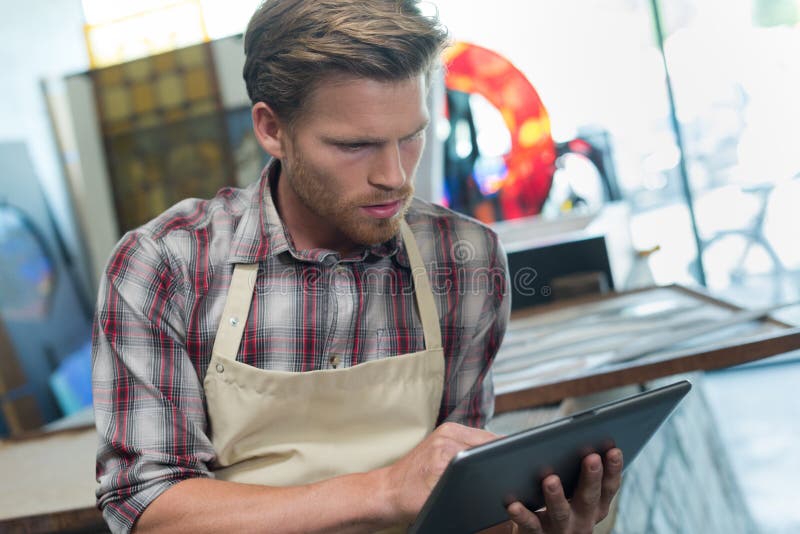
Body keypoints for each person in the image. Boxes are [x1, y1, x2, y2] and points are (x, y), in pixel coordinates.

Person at [92, 1, 622, 532]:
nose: (394, 176)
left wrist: (534, 525)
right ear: (272, 128)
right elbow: (149, 510)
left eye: (410, 136)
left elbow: (458, 499)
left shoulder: (464, 260)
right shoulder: (165, 267)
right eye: (355, 145)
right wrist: (384, 491)